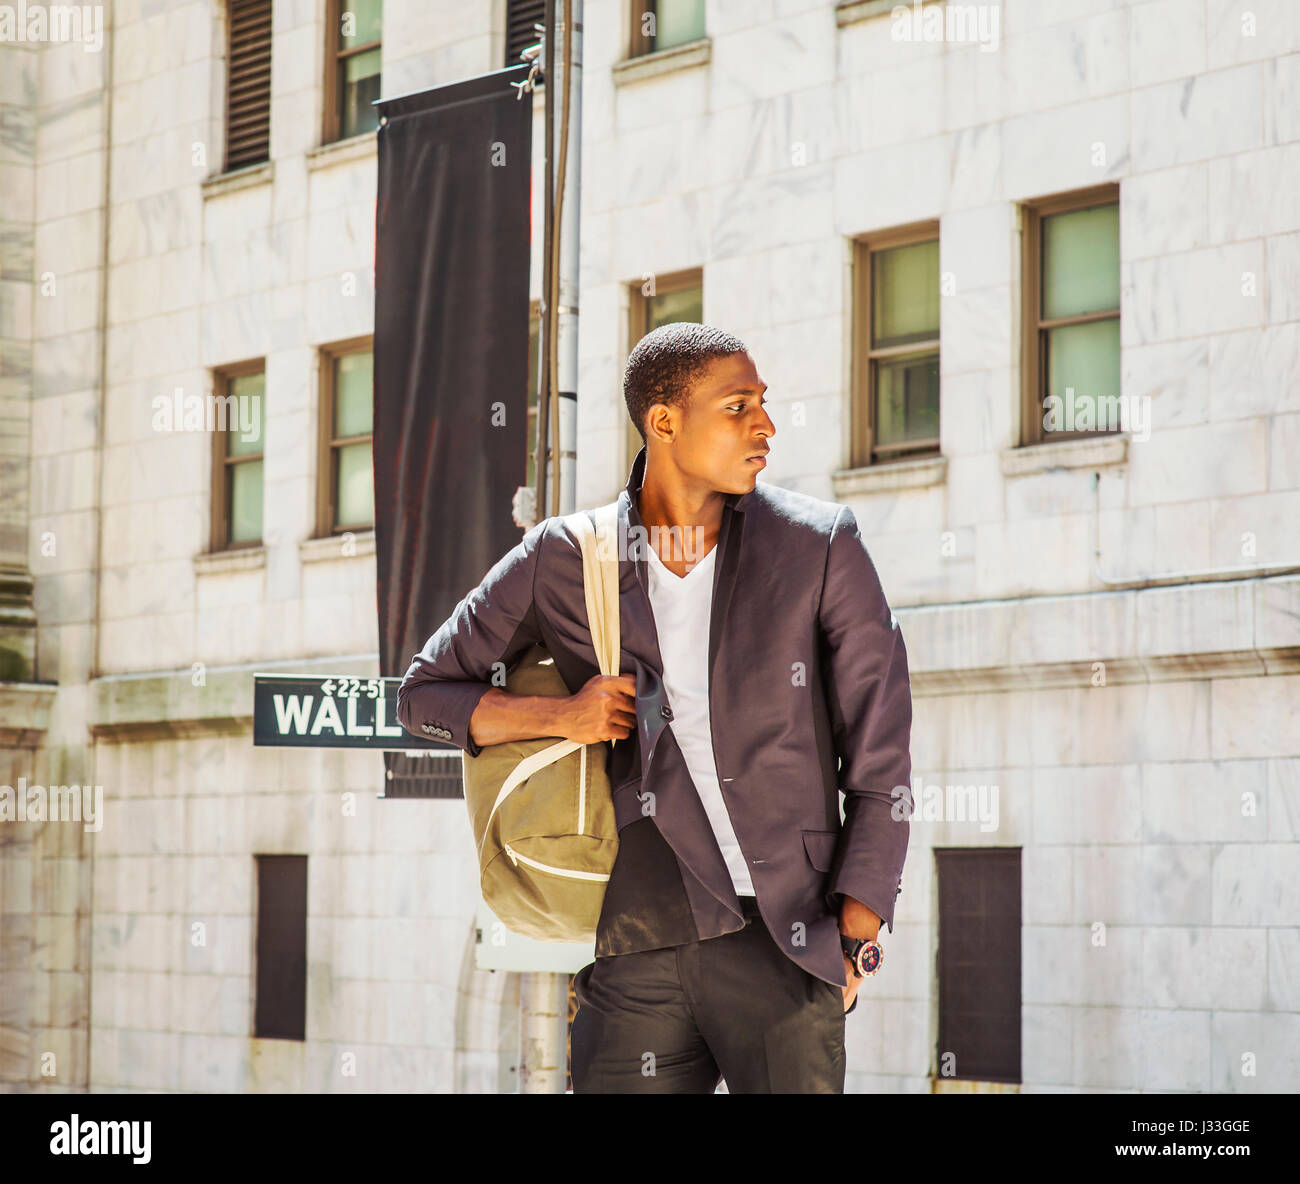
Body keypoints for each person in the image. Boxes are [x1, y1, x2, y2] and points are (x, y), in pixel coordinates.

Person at [397, 322, 912, 1093]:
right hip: (638, 937)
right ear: (664, 421)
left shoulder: (818, 546)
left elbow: (882, 751)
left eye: (763, 404)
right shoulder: (566, 557)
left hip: (787, 936)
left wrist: (858, 933)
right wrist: (562, 717)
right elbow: (422, 695)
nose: (765, 425)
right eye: (739, 407)